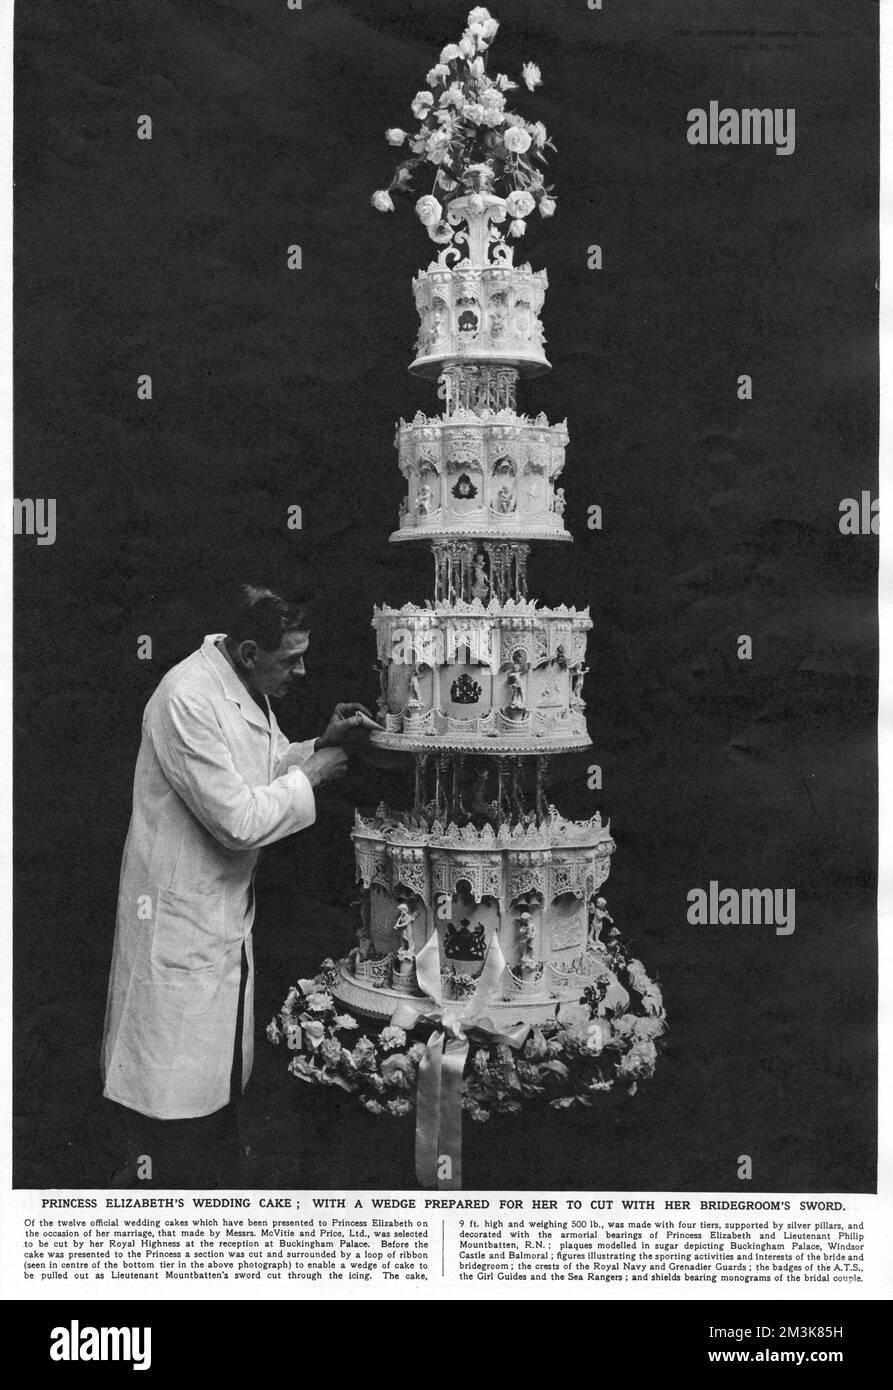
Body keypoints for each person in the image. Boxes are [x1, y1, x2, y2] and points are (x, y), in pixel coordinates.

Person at [102, 585, 377, 1184]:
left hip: (218, 914)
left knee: (211, 1098)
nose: (302, 671)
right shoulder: (186, 698)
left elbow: (264, 768)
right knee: (167, 1105)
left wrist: (319, 747)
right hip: (178, 919)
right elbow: (238, 821)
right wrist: (313, 780)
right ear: (250, 651)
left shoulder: (242, 685)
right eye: (291, 659)